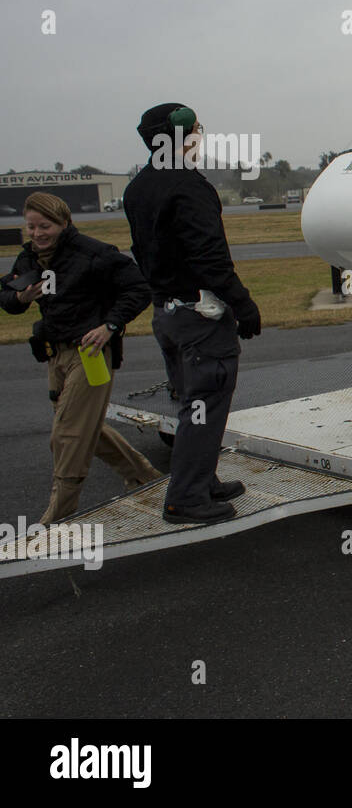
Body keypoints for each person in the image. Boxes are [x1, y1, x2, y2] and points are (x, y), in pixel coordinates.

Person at [124, 103, 262, 525]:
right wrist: (242, 304)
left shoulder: (138, 187)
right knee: (204, 405)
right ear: (182, 135)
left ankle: (202, 480)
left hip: (167, 315)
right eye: (197, 129)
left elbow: (142, 252)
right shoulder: (188, 186)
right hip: (200, 317)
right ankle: (185, 498)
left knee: (192, 404)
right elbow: (210, 258)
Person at [0, 192, 162, 523]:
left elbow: (139, 288)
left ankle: (58, 516)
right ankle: (145, 477)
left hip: (90, 354)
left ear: (63, 223)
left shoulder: (94, 254)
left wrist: (110, 325)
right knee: (86, 428)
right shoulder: (30, 258)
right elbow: (6, 295)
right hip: (55, 354)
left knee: (67, 436)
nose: (37, 233)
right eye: (31, 227)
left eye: (45, 226)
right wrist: (20, 298)